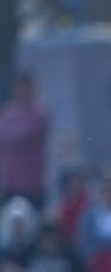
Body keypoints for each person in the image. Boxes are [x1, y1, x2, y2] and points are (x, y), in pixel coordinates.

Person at [0, 74, 51, 211]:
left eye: (25, 87)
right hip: (11, 184)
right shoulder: (8, 113)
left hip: (33, 184)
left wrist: (11, 135)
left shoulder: (40, 113)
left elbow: (26, 134)